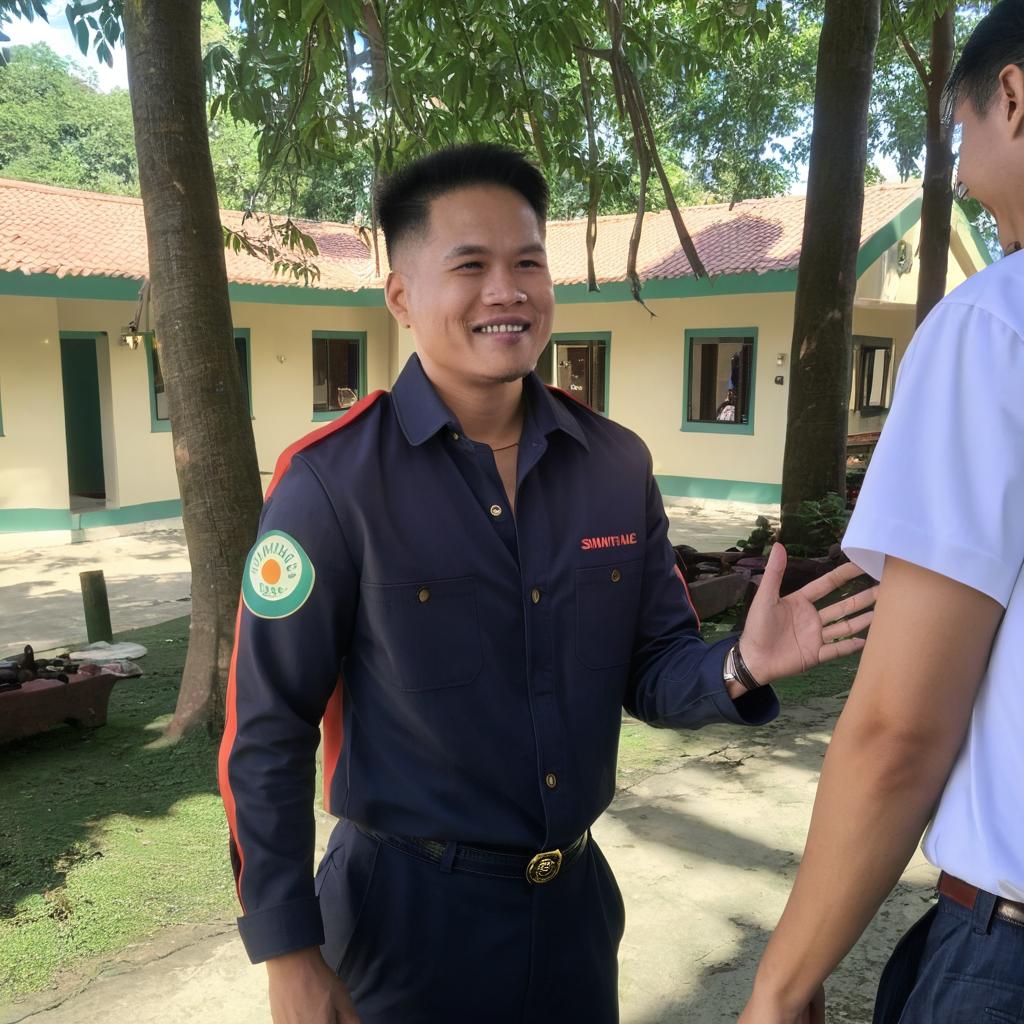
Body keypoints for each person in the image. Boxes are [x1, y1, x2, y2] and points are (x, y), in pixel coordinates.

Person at [218, 143, 875, 1024]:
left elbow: (654, 665)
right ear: (403, 296)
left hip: (571, 913)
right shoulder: (332, 486)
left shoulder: (612, 464)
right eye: (472, 265)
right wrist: (288, 950)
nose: (508, 290)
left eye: (529, 262)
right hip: (405, 923)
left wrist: (739, 666)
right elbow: (266, 728)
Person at [739, 5, 1024, 1022]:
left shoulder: (994, 328)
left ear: (1013, 97)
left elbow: (901, 728)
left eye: (959, 136)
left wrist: (782, 982)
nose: (956, 174)